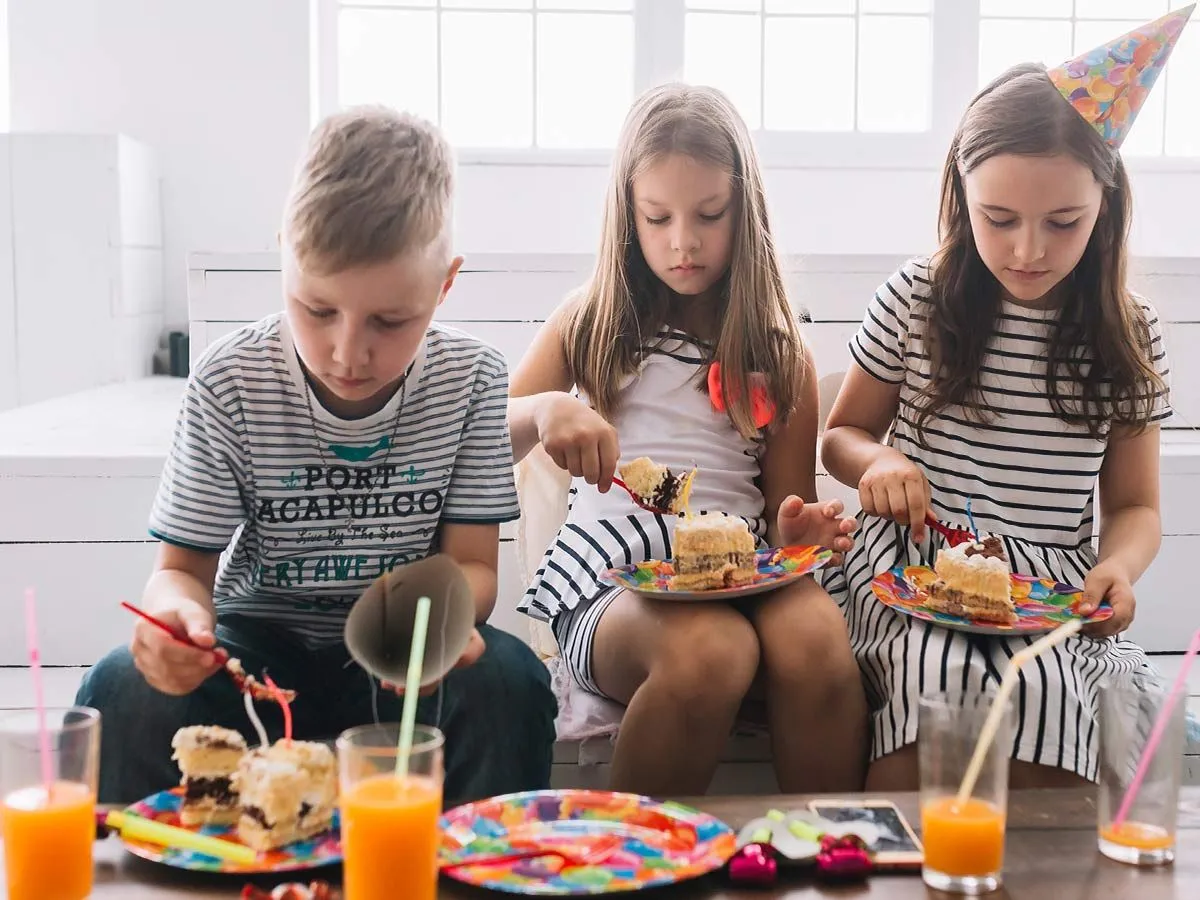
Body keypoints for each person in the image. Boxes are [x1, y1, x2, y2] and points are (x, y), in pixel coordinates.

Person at [76, 107, 557, 806]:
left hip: (404, 661)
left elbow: (474, 567)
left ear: (445, 285)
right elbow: (179, 573)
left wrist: (442, 628)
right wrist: (172, 622)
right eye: (316, 308)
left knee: (508, 682)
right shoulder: (230, 380)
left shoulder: (473, 378)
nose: (347, 352)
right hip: (257, 652)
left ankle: (481, 869)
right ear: (283, 254)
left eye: (390, 321)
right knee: (120, 686)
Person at [820, 11, 1188, 791]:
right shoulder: (917, 298)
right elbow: (841, 433)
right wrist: (878, 460)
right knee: (938, 673)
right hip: (913, 567)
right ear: (961, 193)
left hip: (1050, 585)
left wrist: (1119, 565)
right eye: (999, 220)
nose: (1028, 250)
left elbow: (1136, 507)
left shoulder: (1130, 336)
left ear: (1106, 205)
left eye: (1064, 223)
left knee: (1047, 688)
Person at [509, 83, 867, 797]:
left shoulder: (778, 351)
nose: (684, 241)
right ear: (627, 215)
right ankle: (637, 860)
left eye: (709, 215)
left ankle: (828, 851)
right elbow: (482, 434)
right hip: (612, 586)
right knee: (710, 650)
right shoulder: (588, 322)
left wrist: (799, 523)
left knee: (820, 641)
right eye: (658, 217)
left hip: (741, 569)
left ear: (744, 210)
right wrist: (547, 407)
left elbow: (782, 514)